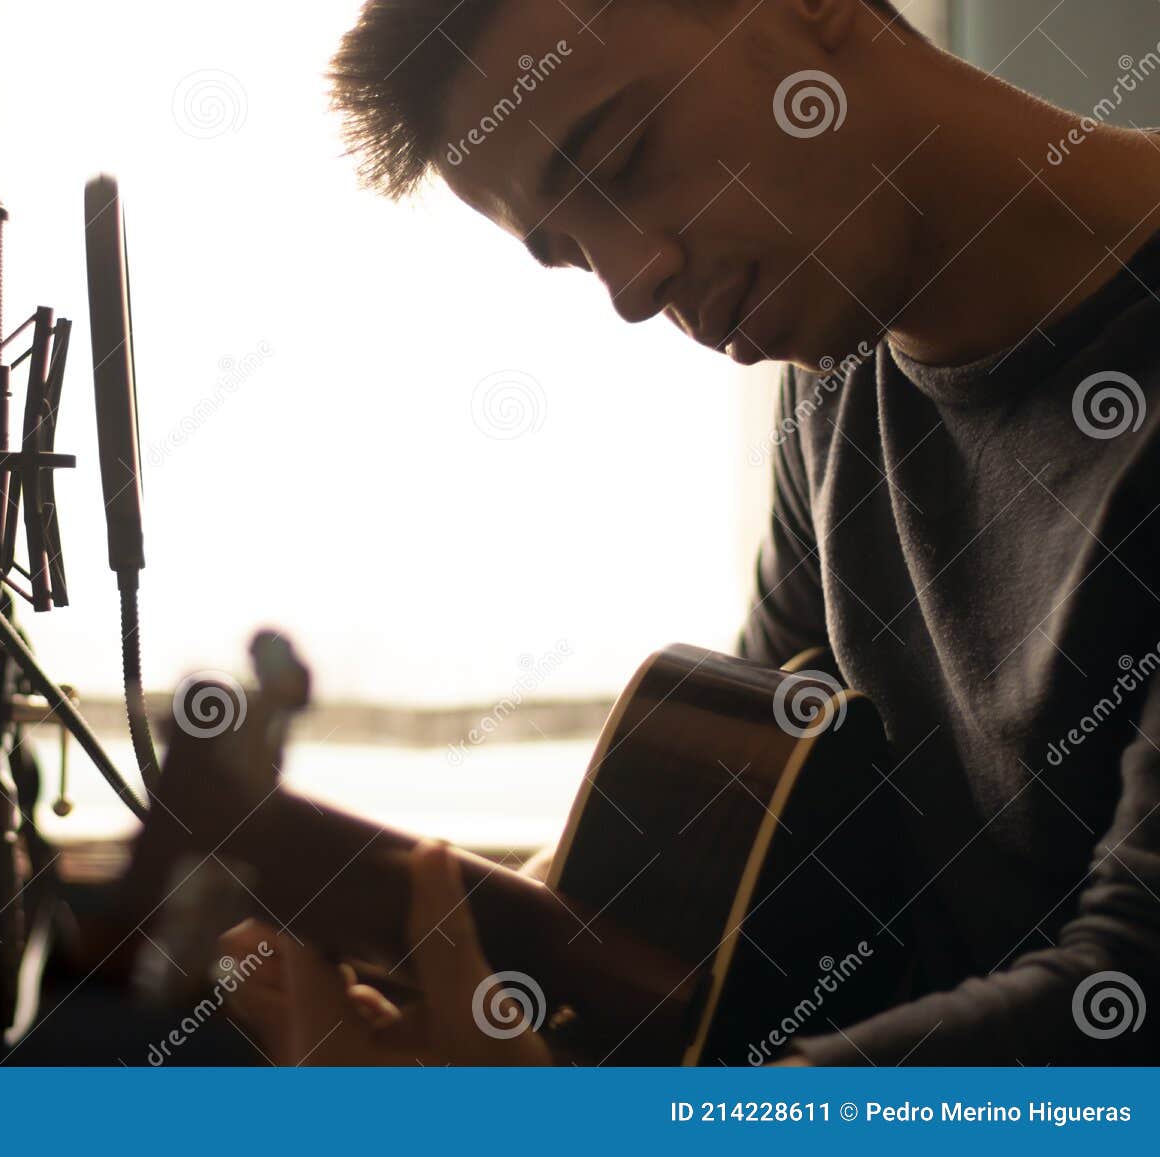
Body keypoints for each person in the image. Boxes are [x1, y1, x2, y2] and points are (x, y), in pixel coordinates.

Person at [223, 0, 1160, 1064]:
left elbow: (1126, 1000)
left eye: (621, 154)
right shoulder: (833, 389)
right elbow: (731, 852)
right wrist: (468, 970)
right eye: (572, 253)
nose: (629, 285)